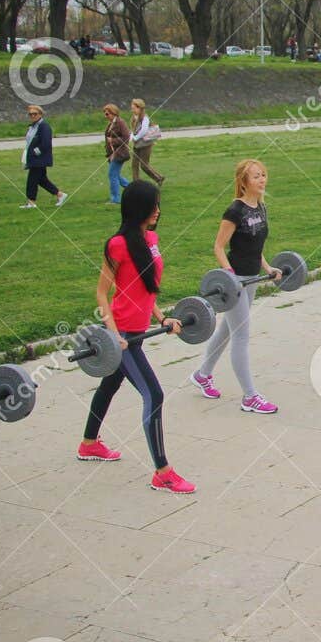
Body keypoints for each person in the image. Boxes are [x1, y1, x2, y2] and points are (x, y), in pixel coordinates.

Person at [79, 181, 195, 493]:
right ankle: (163, 473)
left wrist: (162, 317)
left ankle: (89, 443)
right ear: (137, 209)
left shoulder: (151, 238)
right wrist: (114, 335)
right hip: (122, 335)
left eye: (158, 204)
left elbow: (144, 288)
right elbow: (102, 293)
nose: (158, 210)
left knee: (110, 383)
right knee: (154, 395)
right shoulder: (117, 244)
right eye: (152, 205)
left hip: (137, 331)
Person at [192, 159, 280, 414]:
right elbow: (219, 246)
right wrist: (230, 277)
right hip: (235, 282)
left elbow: (257, 248)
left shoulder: (261, 207)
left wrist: (268, 269)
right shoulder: (235, 210)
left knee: (228, 330)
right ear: (243, 181)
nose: (262, 179)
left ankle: (202, 374)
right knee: (241, 335)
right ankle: (250, 397)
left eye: (263, 174)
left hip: (251, 279)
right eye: (256, 176)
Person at [20, 104, 66, 209]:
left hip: (39, 159)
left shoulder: (44, 126)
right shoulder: (32, 126)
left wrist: (35, 152)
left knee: (32, 180)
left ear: (40, 114)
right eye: (30, 114)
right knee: (41, 180)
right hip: (33, 158)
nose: (32, 116)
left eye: (35, 114)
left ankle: (31, 202)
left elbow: (45, 143)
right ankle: (60, 195)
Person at [129, 98, 166, 187]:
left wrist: (135, 137)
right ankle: (136, 184)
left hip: (145, 145)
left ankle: (159, 178)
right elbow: (134, 130)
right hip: (137, 144)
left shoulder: (145, 118)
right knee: (134, 164)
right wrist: (132, 136)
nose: (132, 110)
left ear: (140, 108)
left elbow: (144, 131)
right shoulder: (134, 117)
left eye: (134, 108)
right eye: (132, 108)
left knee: (144, 165)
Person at [102, 103, 131, 204]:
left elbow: (127, 137)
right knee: (116, 175)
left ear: (114, 113)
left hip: (120, 154)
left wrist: (113, 141)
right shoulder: (111, 123)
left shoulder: (120, 122)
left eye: (107, 114)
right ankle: (134, 189)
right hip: (112, 154)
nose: (105, 116)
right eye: (105, 114)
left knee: (112, 175)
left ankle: (115, 199)